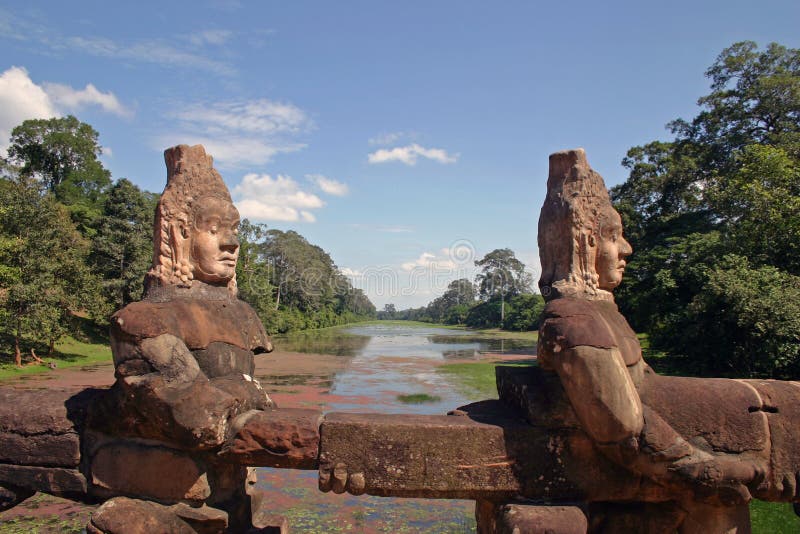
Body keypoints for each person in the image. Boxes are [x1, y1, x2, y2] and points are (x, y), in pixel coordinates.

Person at [536, 148, 763, 505]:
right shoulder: (573, 322)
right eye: (614, 237)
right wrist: (699, 468)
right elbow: (622, 429)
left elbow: (647, 390)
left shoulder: (604, 315)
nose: (626, 249)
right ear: (587, 243)